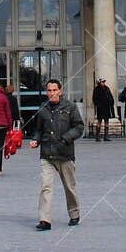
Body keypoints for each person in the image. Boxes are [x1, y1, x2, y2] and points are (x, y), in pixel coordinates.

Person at [29, 78, 84, 229]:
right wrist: (35, 140)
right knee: (46, 186)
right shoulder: (43, 108)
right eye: (49, 90)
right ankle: (44, 220)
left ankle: (74, 214)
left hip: (65, 154)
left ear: (60, 91)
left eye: (54, 90)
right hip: (47, 154)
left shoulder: (70, 107)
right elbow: (38, 130)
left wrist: (66, 138)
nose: (52, 93)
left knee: (69, 187)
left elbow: (79, 127)